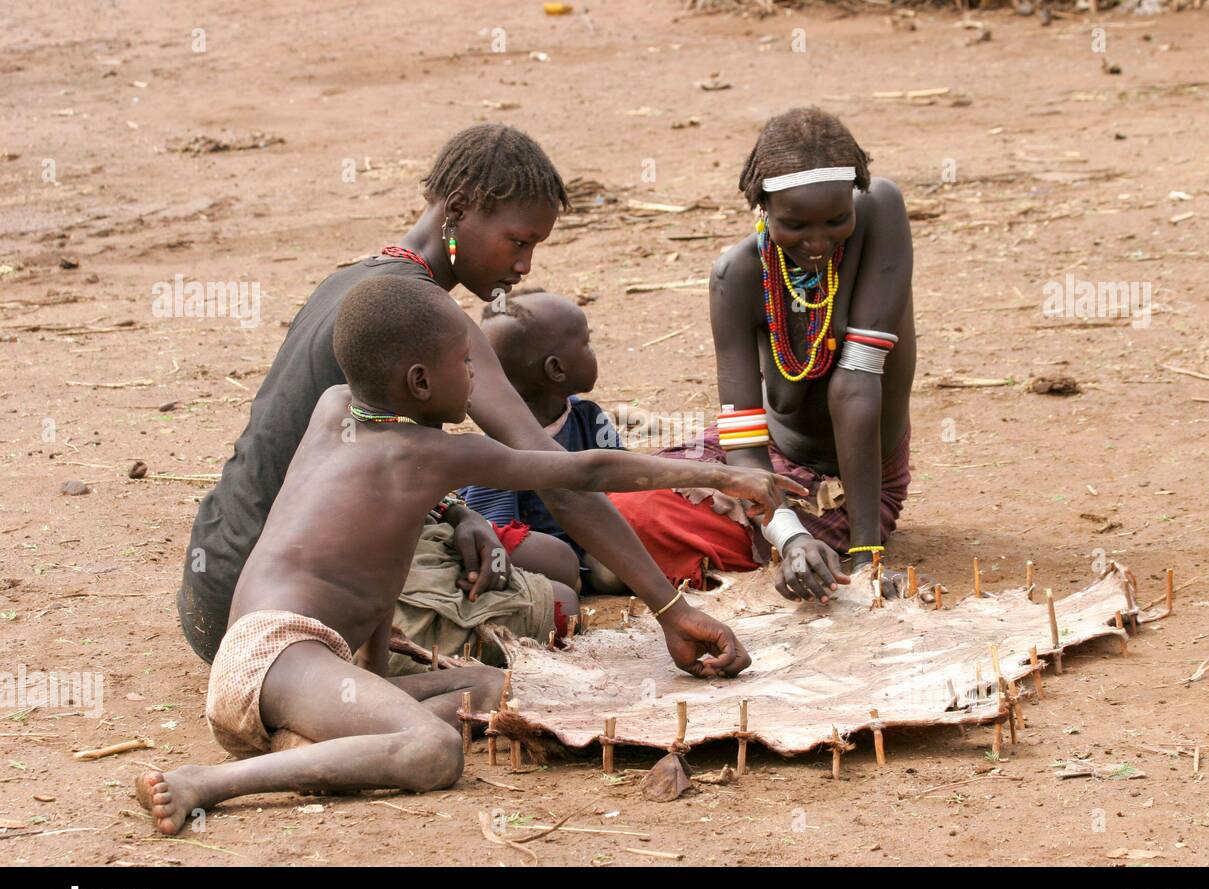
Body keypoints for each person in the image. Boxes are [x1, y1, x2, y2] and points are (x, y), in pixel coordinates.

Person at [137, 276, 803, 835]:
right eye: (467, 363)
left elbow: (368, 562)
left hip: (290, 662)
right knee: (435, 751)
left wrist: (451, 520)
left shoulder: (335, 405)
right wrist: (725, 477)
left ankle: (319, 745)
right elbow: (582, 469)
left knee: (495, 690)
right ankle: (209, 783)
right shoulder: (429, 454)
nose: (477, 376)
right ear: (421, 381)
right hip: (278, 658)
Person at [178, 123, 755, 678]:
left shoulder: (351, 286)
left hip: (221, 575)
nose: (524, 265)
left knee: (540, 561)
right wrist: (669, 609)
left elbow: (335, 453)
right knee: (554, 603)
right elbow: (559, 476)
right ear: (457, 210)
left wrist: (450, 510)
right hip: (272, 622)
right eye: (518, 241)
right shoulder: (432, 321)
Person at [609, 107, 917, 602]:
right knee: (613, 502)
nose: (817, 242)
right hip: (757, 464)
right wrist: (791, 537)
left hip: (847, 484)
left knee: (636, 533)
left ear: (854, 197)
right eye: (794, 225)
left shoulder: (880, 211)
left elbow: (855, 385)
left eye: (837, 220)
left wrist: (866, 560)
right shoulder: (737, 277)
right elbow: (743, 437)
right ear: (762, 208)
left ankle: (581, 565)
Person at [460, 288, 626, 592]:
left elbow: (621, 474)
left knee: (611, 574)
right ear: (556, 369)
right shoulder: (500, 447)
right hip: (541, 550)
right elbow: (495, 529)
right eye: (586, 344)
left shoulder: (587, 415)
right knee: (567, 579)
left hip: (590, 538)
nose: (593, 351)